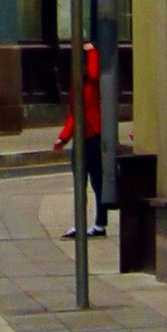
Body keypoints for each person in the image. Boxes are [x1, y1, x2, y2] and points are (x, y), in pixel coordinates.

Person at [52, 36, 110, 231]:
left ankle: (100, 223)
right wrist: (63, 137)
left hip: (93, 138)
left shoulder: (91, 85)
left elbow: (94, 74)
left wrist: (91, 51)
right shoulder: (76, 88)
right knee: (79, 184)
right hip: (80, 139)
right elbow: (73, 115)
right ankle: (80, 223)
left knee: (97, 183)